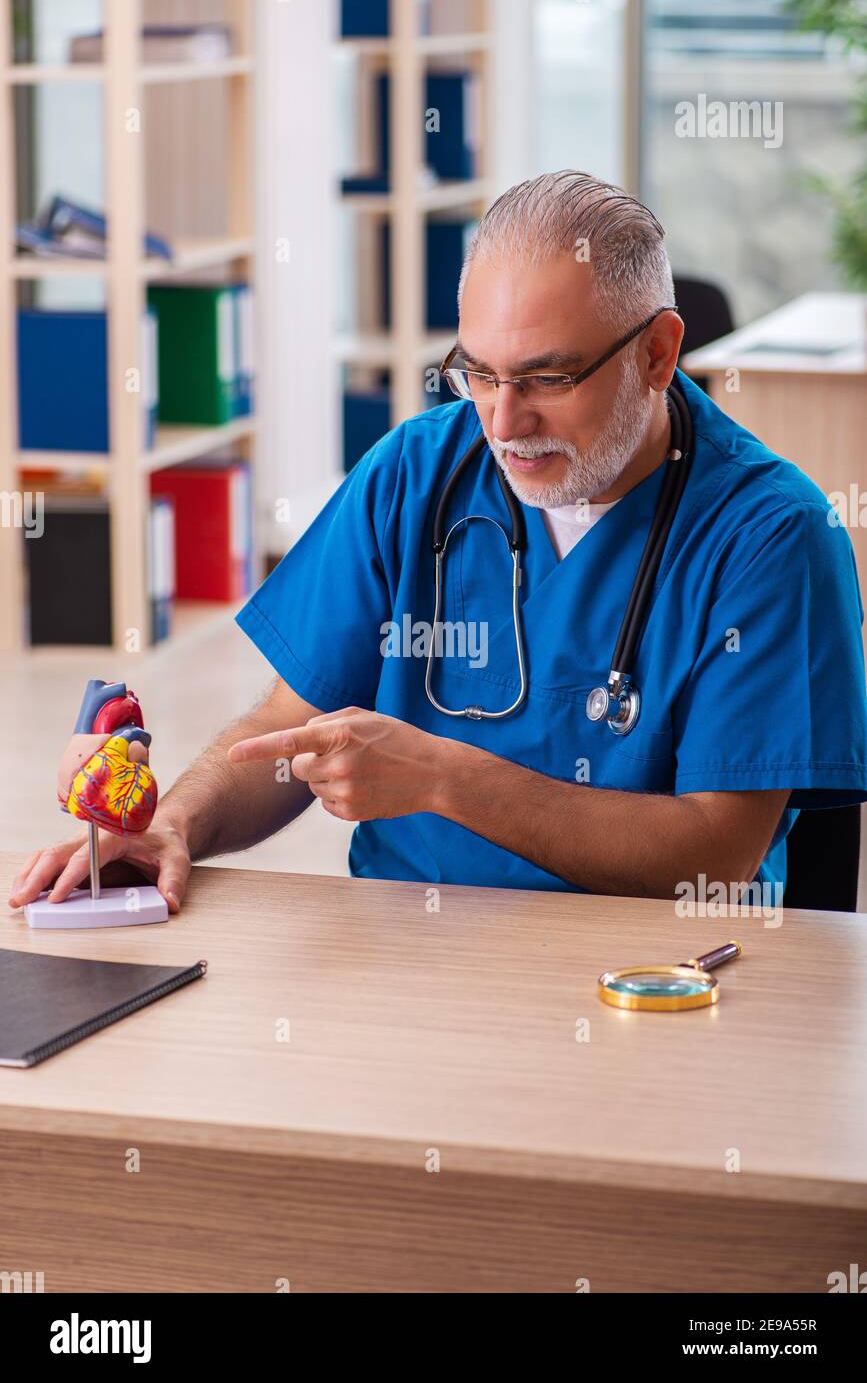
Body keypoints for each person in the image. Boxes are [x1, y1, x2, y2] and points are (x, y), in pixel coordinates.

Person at [11, 170, 867, 914]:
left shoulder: (771, 536)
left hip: (651, 981)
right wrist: (173, 826)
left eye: (546, 378)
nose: (502, 421)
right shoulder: (416, 472)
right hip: (404, 954)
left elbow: (713, 855)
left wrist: (444, 778)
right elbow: (291, 722)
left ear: (656, 352)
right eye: (479, 372)